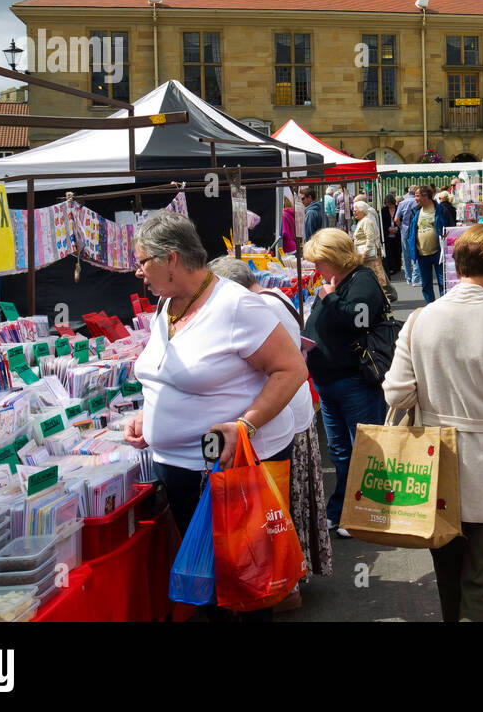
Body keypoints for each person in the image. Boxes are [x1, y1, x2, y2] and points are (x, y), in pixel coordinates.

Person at [126, 213, 306, 620]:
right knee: (212, 586)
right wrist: (147, 413)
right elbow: (166, 372)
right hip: (182, 470)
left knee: (246, 583)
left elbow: (292, 369)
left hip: (234, 470)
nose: (138, 272)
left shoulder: (236, 305)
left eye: (142, 262)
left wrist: (245, 424)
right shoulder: (167, 303)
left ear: (171, 259)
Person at [382, 224, 483, 622]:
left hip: (433, 461)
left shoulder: (419, 319)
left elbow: (397, 393)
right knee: (482, 578)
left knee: (446, 573)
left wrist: (434, 401)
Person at [207, 257, 332, 584]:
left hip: (286, 412)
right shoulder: (274, 298)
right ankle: (289, 576)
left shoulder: (260, 308)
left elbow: (282, 364)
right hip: (294, 409)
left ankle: (286, 579)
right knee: (292, 502)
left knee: (285, 505)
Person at [302, 229, 389, 539]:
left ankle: (365, 513)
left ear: (335, 258)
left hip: (354, 380)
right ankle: (343, 510)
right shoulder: (341, 280)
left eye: (319, 262)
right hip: (332, 381)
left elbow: (359, 319)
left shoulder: (362, 279)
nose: (316, 270)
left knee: (364, 449)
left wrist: (329, 297)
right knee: (341, 450)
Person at [406, 185, 446, 303]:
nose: (415, 198)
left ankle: (445, 306)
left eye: (418, 196)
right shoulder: (416, 211)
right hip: (422, 253)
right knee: (426, 284)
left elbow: (447, 227)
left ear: (425, 196)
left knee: (442, 282)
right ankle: (430, 306)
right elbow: (412, 230)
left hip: (438, 252)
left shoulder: (440, 210)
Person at [352, 199, 396, 302]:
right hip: (366, 255)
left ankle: (384, 301)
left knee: (376, 278)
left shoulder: (366, 221)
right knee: (376, 278)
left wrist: (365, 253)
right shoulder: (362, 221)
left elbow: (370, 238)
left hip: (368, 256)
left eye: (355, 210)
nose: (354, 213)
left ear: (362, 210)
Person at [395, 186, 421, 287]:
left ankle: (408, 277)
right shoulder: (418, 202)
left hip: (405, 230)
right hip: (416, 230)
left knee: (406, 255)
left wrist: (401, 226)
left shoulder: (402, 203)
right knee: (416, 253)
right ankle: (416, 277)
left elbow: (396, 219)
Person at [381, 193, 402, 277]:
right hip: (387, 233)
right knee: (389, 251)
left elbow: (401, 219)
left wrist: (396, 228)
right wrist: (388, 228)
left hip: (397, 233)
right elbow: (382, 221)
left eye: (389, 203)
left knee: (397, 249)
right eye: (386, 203)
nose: (387, 205)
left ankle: (397, 266)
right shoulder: (384, 210)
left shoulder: (398, 208)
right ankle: (391, 267)